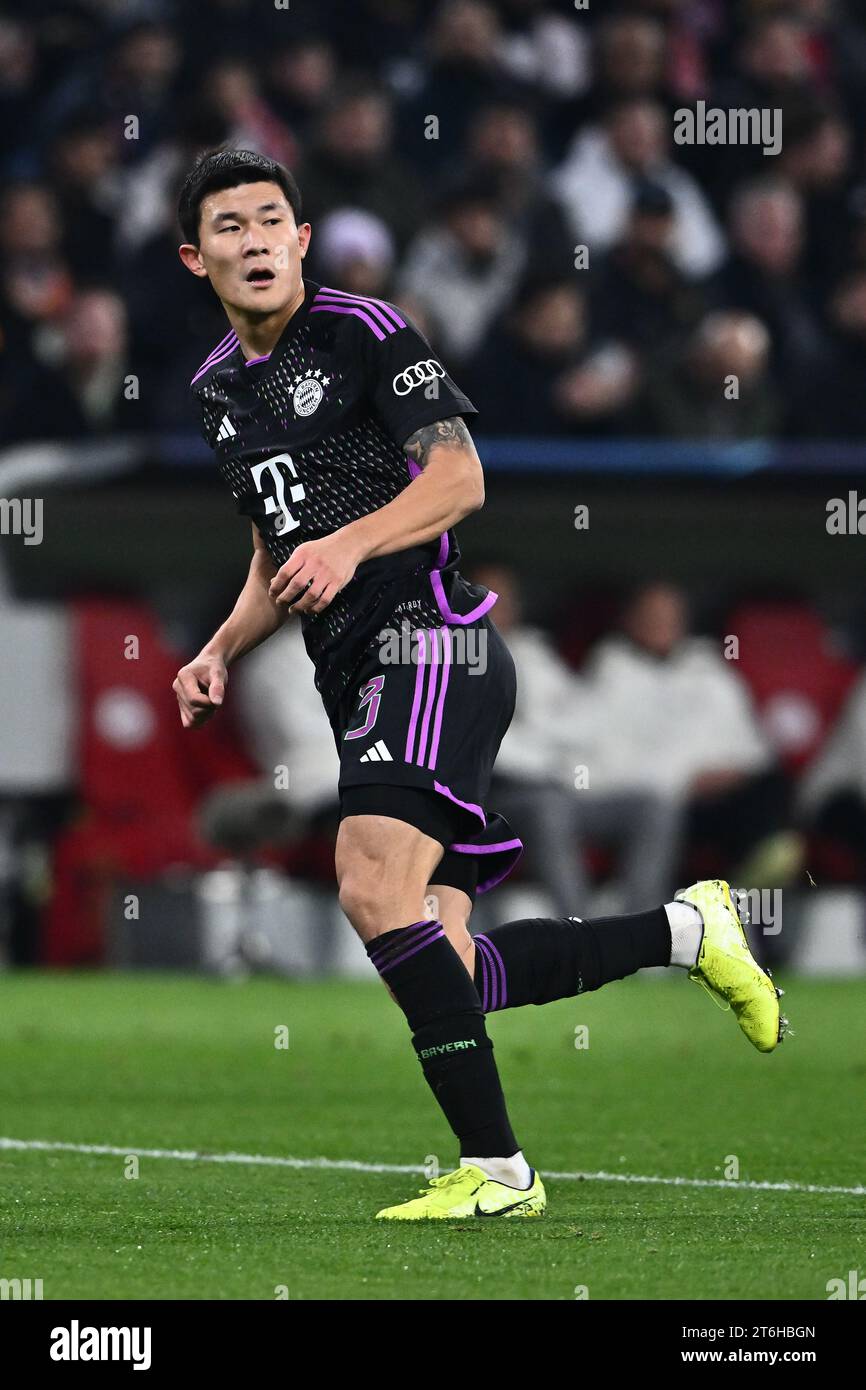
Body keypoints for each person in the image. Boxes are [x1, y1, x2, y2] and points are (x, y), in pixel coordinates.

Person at [173, 148, 787, 1222]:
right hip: (352, 662)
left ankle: (498, 1171)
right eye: (230, 226)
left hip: (428, 642)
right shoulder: (217, 388)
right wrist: (223, 645)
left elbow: (461, 478)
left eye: (272, 219)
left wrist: (352, 546)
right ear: (196, 256)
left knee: (369, 884)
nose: (256, 239)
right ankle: (685, 932)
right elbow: (280, 555)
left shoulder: (362, 332)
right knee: (449, 959)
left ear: (303, 241)